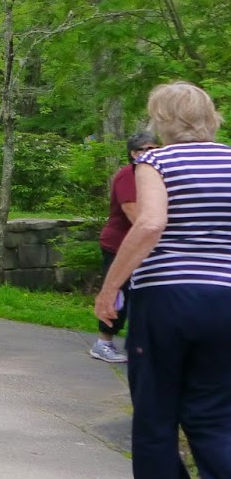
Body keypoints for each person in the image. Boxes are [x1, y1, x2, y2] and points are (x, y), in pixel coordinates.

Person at [95, 82, 231, 479]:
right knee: (215, 411)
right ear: (210, 117)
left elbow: (150, 223)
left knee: (156, 408)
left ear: (160, 119)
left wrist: (111, 288)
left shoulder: (156, 162)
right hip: (224, 301)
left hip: (167, 299)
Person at [90, 130, 157, 364]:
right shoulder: (129, 175)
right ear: (133, 153)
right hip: (120, 246)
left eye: (153, 149)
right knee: (118, 296)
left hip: (147, 248)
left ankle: (143, 345)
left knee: (147, 296)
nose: (149, 154)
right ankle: (103, 342)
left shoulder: (157, 175)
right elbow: (133, 213)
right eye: (144, 150)